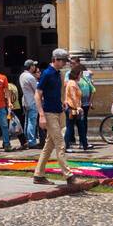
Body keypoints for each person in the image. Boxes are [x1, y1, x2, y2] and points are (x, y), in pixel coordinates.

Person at [33, 48, 75, 186]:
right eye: (63, 61)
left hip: (58, 112)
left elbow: (59, 91)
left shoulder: (58, 73)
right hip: (49, 113)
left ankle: (38, 175)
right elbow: (37, 95)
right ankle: (68, 175)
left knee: (49, 145)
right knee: (60, 143)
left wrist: (63, 101)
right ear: (55, 60)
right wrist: (41, 115)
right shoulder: (47, 74)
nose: (65, 64)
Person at [65, 66, 87, 152]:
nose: (81, 76)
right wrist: (78, 107)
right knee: (70, 127)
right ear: (76, 74)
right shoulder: (72, 84)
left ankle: (85, 144)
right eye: (80, 74)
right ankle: (66, 146)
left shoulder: (73, 83)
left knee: (80, 126)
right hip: (73, 109)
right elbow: (74, 97)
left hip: (75, 108)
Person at [19, 60, 41, 148]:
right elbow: (37, 89)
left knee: (27, 122)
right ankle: (32, 142)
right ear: (31, 66)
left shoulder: (22, 75)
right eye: (33, 65)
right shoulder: (30, 77)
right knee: (32, 122)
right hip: (32, 101)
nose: (34, 67)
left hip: (25, 101)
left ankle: (27, 140)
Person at [79, 68, 96, 149]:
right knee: (81, 124)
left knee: (82, 124)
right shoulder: (79, 79)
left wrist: (90, 102)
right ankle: (82, 142)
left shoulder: (85, 78)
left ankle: (83, 142)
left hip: (84, 105)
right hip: (80, 105)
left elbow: (93, 90)